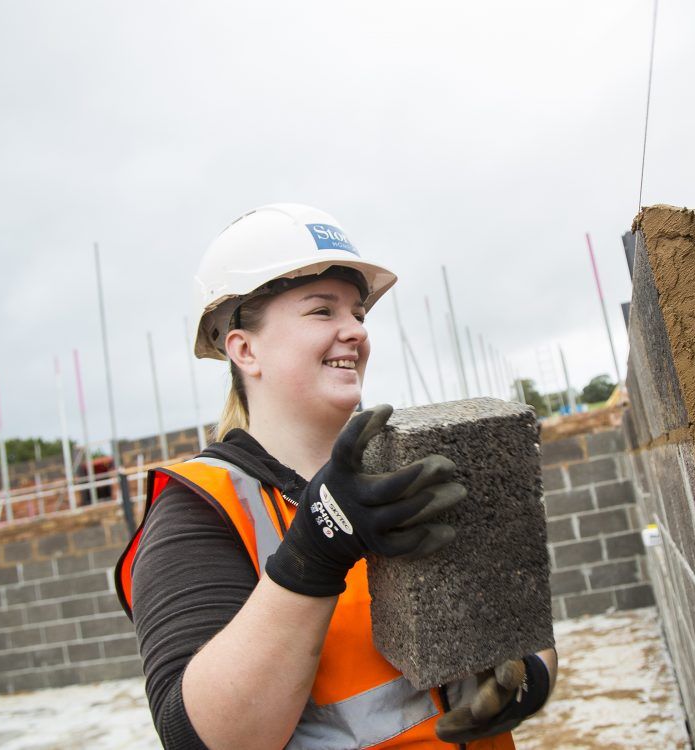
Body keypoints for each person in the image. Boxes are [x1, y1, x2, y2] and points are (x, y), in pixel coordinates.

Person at [115, 203, 557, 749]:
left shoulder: (411, 460)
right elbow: (204, 739)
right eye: (322, 311)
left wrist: (530, 668)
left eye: (359, 315)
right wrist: (315, 550)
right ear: (245, 349)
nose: (354, 331)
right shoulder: (202, 505)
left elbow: (516, 608)